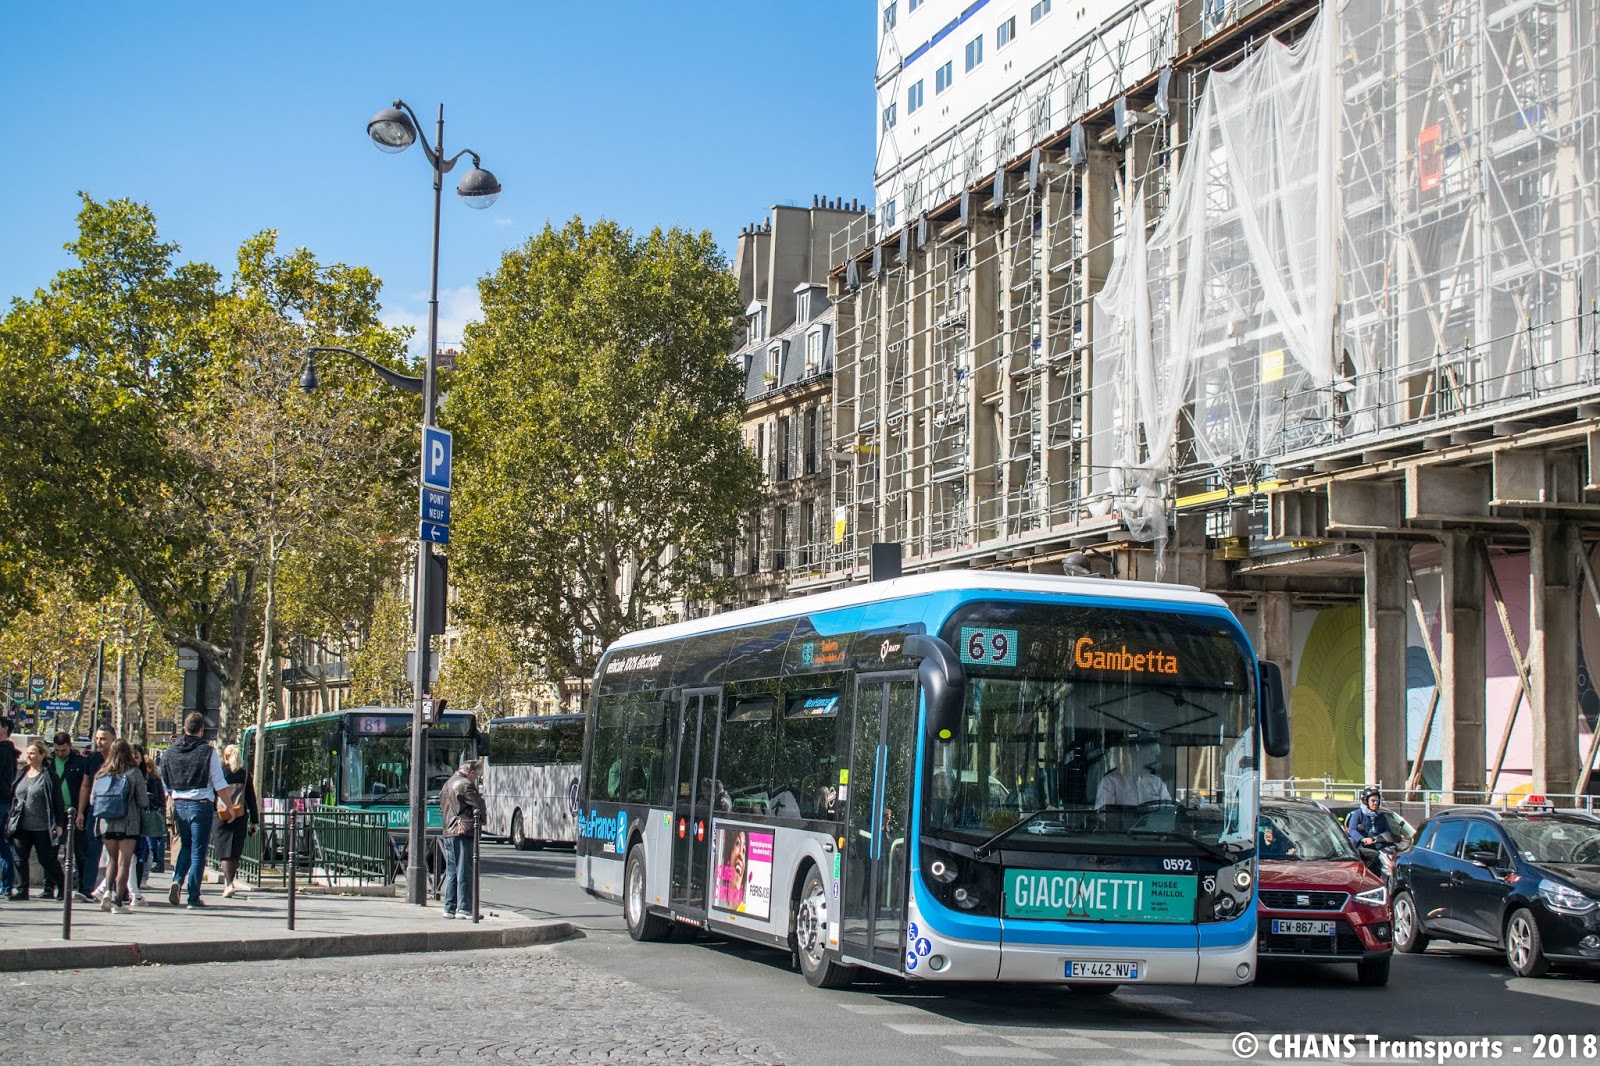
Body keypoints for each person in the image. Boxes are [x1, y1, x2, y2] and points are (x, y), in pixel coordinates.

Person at [159, 713, 234, 909]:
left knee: (185, 845)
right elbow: (219, 783)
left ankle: (177, 880)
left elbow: (164, 780)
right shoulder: (207, 752)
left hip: (179, 803)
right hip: (201, 804)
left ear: (184, 729)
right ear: (201, 730)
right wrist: (229, 806)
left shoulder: (170, 752)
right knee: (199, 851)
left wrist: (172, 794)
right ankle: (193, 897)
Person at [91, 739, 148, 913]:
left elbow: (93, 800)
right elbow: (143, 800)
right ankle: (118, 901)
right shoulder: (134, 773)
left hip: (106, 823)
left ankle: (107, 890)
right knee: (124, 863)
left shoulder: (102, 773)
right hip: (128, 822)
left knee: (111, 860)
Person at [7, 740, 65, 900]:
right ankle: (22, 890)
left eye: (33, 753)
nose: (29, 756)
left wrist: (59, 823)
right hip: (21, 824)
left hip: (42, 826)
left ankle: (62, 885)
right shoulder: (22, 773)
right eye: (28, 753)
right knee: (19, 858)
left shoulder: (48, 775)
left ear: (42, 755)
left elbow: (57, 800)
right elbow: (14, 797)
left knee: (46, 859)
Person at [50, 731, 97, 902]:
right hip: (55, 814)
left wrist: (81, 811)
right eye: (57, 750)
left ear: (70, 746)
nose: (60, 754)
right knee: (52, 850)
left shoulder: (81, 762)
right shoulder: (49, 762)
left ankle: (83, 886)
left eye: (63, 750)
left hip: (75, 812)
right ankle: (51, 886)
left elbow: (85, 787)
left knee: (80, 851)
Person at [438, 757, 485, 919]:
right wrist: (481, 819)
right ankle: (464, 908)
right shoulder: (465, 785)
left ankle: (449, 908)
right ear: (471, 773)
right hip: (462, 831)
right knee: (464, 869)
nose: (475, 779)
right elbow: (480, 805)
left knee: (452, 870)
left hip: (448, 831)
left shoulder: (448, 783)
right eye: (476, 776)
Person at [210, 743, 259, 899]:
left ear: (225, 757)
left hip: (220, 815)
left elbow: (212, 794)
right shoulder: (245, 775)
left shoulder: (220, 773)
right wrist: (255, 821)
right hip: (240, 814)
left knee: (224, 852)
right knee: (235, 853)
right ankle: (229, 882)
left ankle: (229, 883)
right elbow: (251, 799)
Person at [1094, 740, 1172, 809]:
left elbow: (1168, 811)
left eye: (1156, 755)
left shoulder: (1157, 783)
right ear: (1138, 753)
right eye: (1152, 753)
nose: (1154, 759)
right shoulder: (1110, 782)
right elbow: (1103, 817)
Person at [130, 744, 166, 892]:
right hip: (128, 821)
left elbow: (156, 800)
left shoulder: (148, 777)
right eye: (131, 756)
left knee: (144, 851)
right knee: (133, 854)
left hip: (144, 819)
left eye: (137, 756)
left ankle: (140, 881)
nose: (133, 759)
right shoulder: (122, 774)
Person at [0, 716, 17, 900]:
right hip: (4, 800)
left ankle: (6, 885)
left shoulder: (4, 751)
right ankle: (6, 885)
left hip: (1, 801)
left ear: (4, 729)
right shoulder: (9, 750)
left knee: (3, 845)